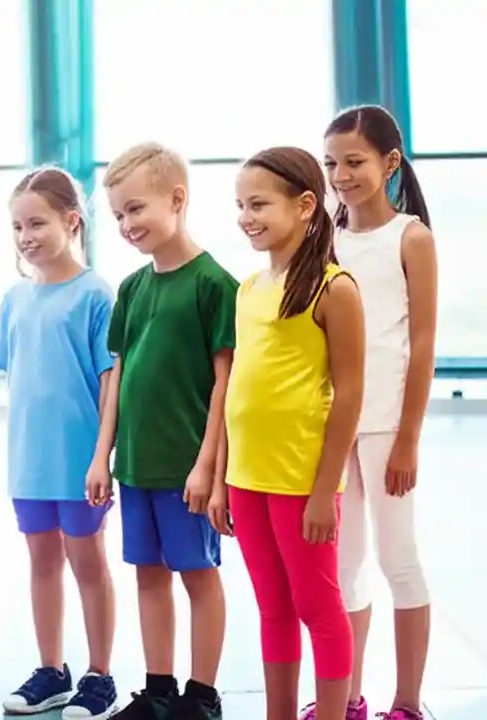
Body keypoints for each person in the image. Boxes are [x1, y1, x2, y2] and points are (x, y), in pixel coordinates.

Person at [220, 146, 366, 720]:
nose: (246, 216)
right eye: (240, 205)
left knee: (318, 607)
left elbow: (350, 394)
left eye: (259, 203)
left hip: (300, 477)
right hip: (246, 478)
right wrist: (222, 474)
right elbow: (238, 391)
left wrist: (324, 490)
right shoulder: (250, 288)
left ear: (305, 205)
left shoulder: (335, 288)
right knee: (272, 607)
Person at [92, 143, 234, 720]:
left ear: (177, 199)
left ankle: (202, 697)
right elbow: (118, 379)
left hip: (185, 470)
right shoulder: (130, 289)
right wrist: (103, 456)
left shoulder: (214, 284)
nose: (127, 225)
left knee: (197, 576)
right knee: (148, 576)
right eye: (119, 215)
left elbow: (226, 387)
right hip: (135, 468)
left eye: (136, 209)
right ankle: (159, 691)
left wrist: (207, 467)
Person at [0, 167, 120, 719]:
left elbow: (110, 383)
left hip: (79, 462)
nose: (26, 236)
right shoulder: (14, 298)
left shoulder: (96, 296)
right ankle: (52, 670)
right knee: (41, 563)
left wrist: (100, 458)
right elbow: (18, 382)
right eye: (18, 226)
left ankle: (101, 675)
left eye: (37, 222)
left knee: (87, 563)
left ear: (71, 221)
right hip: (29, 462)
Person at [321, 105, 437, 720]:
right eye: (332, 163)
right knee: (342, 568)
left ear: (390, 163)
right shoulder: (326, 240)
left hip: (390, 425)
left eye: (355, 162)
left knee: (399, 559)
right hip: (333, 429)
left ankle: (408, 702)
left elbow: (421, 344)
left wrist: (409, 439)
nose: (341, 175)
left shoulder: (411, 237)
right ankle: (348, 697)